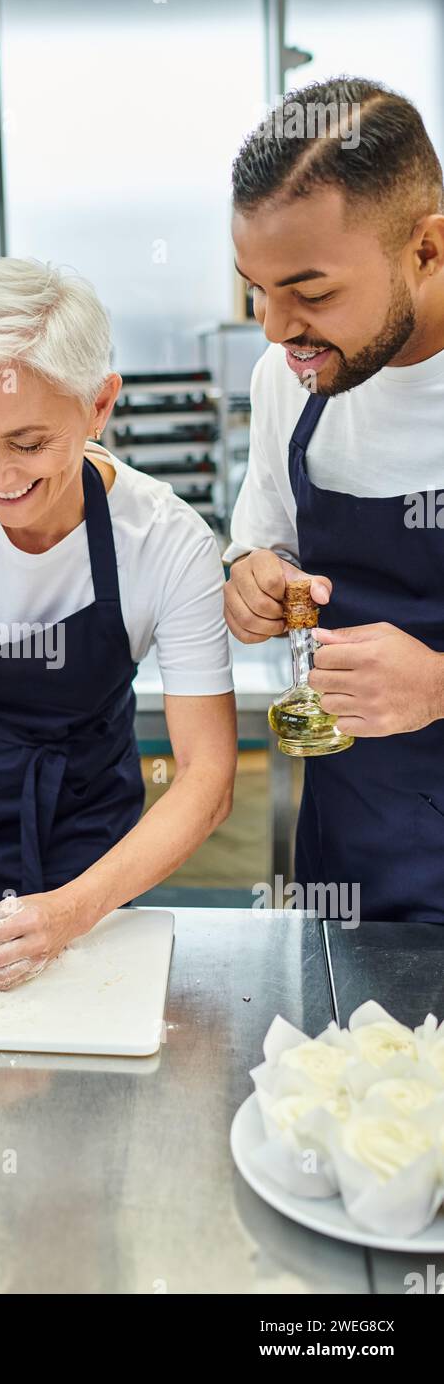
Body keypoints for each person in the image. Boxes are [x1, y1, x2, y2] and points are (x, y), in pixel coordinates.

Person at [0, 258, 236, 989]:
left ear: (99, 407)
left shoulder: (167, 541)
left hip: (98, 865)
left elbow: (208, 777)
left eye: (28, 443)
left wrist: (72, 911)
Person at [226, 77, 444, 923]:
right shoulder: (290, 380)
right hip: (354, 848)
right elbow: (266, 544)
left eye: (311, 294)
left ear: (426, 249)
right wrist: (253, 575)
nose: (276, 330)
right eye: (256, 288)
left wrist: (435, 686)